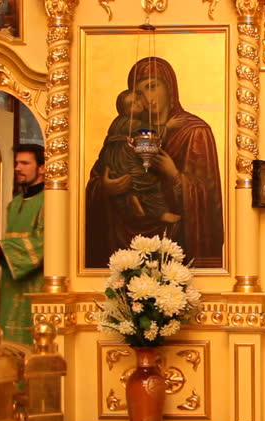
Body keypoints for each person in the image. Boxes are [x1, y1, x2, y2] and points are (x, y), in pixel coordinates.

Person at [86, 56, 224, 268]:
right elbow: (98, 178)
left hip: (178, 249)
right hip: (126, 250)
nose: (148, 98)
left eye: (152, 87)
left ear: (169, 88)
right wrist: (106, 187)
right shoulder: (124, 131)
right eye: (139, 93)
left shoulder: (195, 131)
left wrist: (175, 176)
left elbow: (209, 198)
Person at [0, 144, 45, 345]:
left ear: (42, 168)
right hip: (11, 284)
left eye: (25, 163)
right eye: (16, 163)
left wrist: (1, 247)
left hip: (36, 287)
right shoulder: (14, 204)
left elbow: (44, 242)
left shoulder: (50, 201)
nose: (17, 168)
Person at [99, 89, 180, 224]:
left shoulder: (117, 122)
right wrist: (167, 126)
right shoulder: (131, 122)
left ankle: (132, 197)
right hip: (127, 159)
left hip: (115, 161)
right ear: (124, 110)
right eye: (132, 103)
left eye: (137, 99)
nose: (138, 103)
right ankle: (161, 213)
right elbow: (150, 132)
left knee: (130, 183)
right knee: (148, 182)